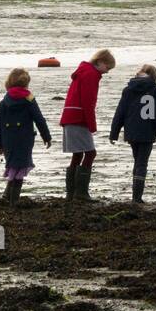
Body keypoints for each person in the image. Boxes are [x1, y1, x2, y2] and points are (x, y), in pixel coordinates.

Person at [58, 48, 115, 201]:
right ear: (100, 62)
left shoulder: (82, 72)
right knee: (90, 153)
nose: (107, 72)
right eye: (107, 67)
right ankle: (80, 193)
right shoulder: (91, 74)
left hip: (69, 116)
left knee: (77, 153)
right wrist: (92, 124)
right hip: (78, 117)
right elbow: (88, 102)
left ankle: (71, 193)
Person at [109, 63, 156, 203]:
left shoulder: (128, 90)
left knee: (137, 161)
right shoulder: (155, 90)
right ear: (154, 77)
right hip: (147, 132)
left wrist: (114, 133)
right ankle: (137, 197)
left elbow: (120, 112)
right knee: (142, 163)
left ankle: (136, 195)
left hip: (132, 132)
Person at [0, 67, 51, 206]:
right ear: (26, 84)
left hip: (8, 140)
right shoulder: (29, 99)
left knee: (13, 166)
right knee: (20, 167)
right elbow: (39, 119)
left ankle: (7, 196)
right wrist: (46, 136)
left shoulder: (4, 101)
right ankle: (14, 201)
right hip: (24, 140)